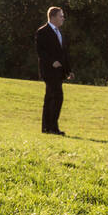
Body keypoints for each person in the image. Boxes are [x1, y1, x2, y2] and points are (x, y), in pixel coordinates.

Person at [35, 7, 73, 135]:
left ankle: (47, 127)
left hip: (59, 71)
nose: (63, 18)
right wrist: (52, 62)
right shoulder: (42, 32)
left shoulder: (59, 33)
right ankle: (52, 128)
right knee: (57, 97)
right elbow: (41, 52)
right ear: (53, 17)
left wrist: (69, 70)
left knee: (50, 98)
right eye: (61, 16)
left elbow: (64, 54)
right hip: (49, 71)